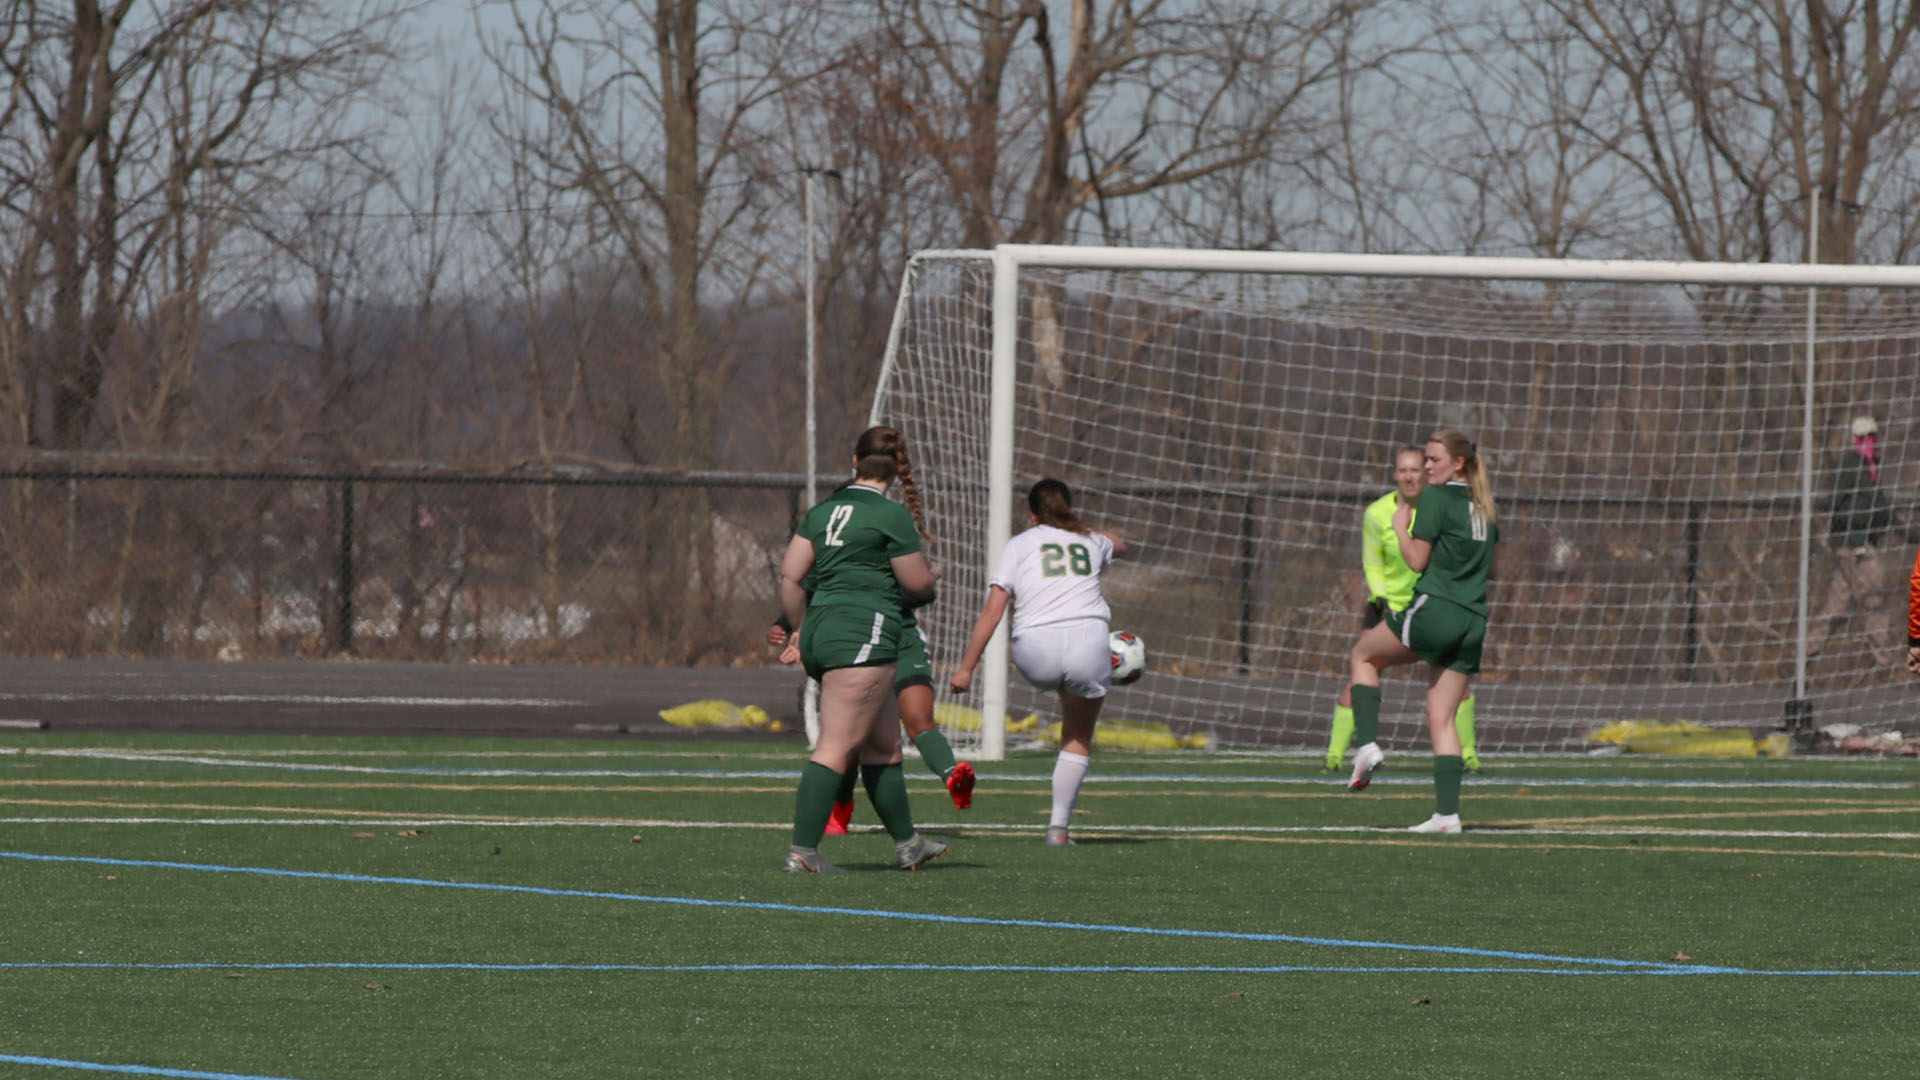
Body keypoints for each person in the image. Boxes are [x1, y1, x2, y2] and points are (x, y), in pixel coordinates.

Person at [777, 425, 950, 873]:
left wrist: (799, 628)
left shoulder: (823, 512)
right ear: (896, 469)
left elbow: (791, 576)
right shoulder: (889, 515)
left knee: (884, 747)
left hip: (823, 631)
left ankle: (909, 844)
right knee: (836, 747)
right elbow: (916, 585)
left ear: (854, 462)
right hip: (865, 633)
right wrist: (929, 577)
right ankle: (803, 851)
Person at [949, 478, 1125, 846]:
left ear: (1031, 516)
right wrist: (1083, 529)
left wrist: (966, 668)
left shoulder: (1019, 544)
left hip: (1034, 650)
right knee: (1076, 736)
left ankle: (1050, 675)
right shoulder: (1091, 541)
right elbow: (1122, 544)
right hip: (1088, 642)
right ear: (1070, 509)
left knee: (1046, 658)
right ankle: (1058, 830)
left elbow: (992, 612)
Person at [1342, 430, 1499, 835]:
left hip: (1437, 611)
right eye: (1424, 460)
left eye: (1433, 460)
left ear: (1457, 463)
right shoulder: (1483, 506)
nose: (1427, 467)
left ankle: (1369, 745)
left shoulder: (1437, 498)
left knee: (1363, 655)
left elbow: (1415, 560)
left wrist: (1399, 526)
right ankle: (1447, 816)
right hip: (1473, 620)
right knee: (1441, 716)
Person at [765, 582, 975, 835]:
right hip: (854, 638)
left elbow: (921, 588)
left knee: (919, 720)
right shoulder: (831, 545)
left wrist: (922, 576)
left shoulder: (892, 543)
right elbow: (804, 582)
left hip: (900, 637)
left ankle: (953, 777)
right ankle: (840, 808)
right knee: (852, 737)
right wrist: (784, 623)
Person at [1325, 445, 1480, 773]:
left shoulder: (1437, 508)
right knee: (1362, 673)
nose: (1410, 476)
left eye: (1416, 469)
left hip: (1429, 608)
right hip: (1388, 607)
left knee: (1455, 686)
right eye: (1403, 470)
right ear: (1395, 475)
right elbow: (1372, 561)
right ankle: (1336, 757)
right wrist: (1381, 598)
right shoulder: (1377, 513)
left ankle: (1468, 756)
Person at [1811, 415, 1904, 657]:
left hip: (1858, 542)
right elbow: (1833, 498)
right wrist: (1852, 524)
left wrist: (1909, 533)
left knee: (1838, 604)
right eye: (1863, 438)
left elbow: (1882, 508)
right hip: (1855, 544)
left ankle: (1807, 652)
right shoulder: (1851, 464)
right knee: (1873, 599)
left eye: (1871, 437)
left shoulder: (1871, 467)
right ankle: (1884, 661)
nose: (1868, 442)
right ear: (1853, 439)